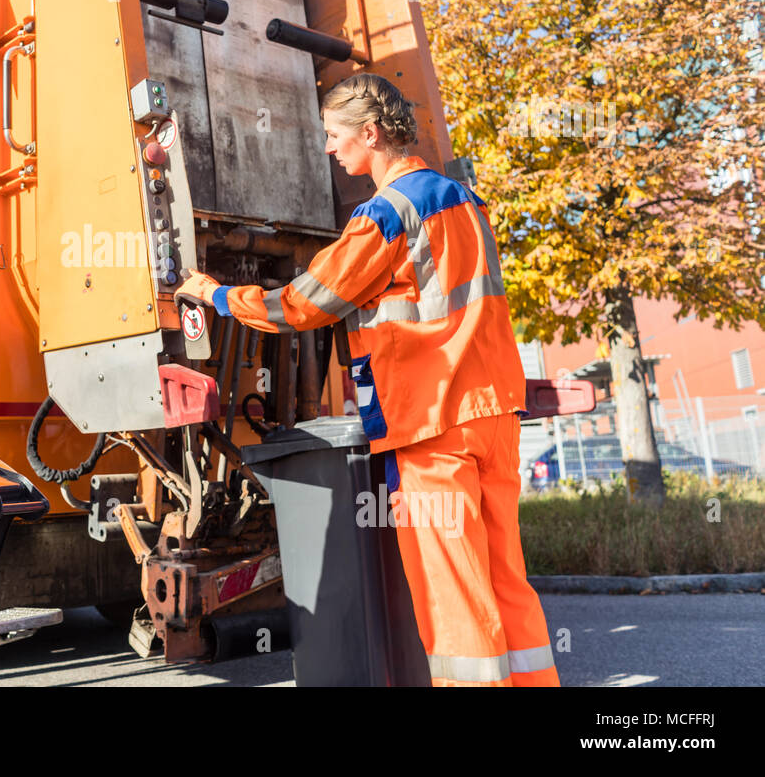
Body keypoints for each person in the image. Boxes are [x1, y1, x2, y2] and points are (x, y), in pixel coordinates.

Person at [175, 73, 559, 687]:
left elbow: (301, 305)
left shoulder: (386, 213)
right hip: (494, 416)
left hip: (435, 428)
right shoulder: (465, 202)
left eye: (334, 135)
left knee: (454, 594)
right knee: (505, 579)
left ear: (371, 133)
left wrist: (216, 294)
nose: (330, 148)